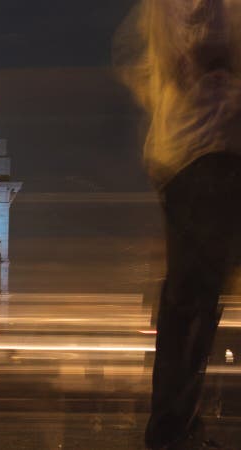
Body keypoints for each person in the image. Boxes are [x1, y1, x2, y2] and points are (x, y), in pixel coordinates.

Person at [115, 0, 241, 448]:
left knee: (193, 299)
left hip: (190, 148)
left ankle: (175, 427)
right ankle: (172, 431)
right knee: (193, 300)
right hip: (207, 150)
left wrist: (166, 104)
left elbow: (134, 53)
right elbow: (203, 49)